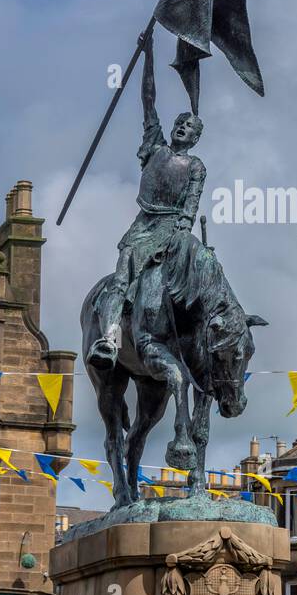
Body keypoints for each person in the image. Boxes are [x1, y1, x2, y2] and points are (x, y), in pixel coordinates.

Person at [87, 31, 206, 370]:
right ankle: (109, 339)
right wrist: (148, 54)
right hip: (143, 225)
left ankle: (203, 334)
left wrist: (181, 234)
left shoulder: (196, 167)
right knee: (122, 275)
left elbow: (190, 210)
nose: (183, 127)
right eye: (181, 123)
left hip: (172, 228)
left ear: (196, 139)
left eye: (190, 127)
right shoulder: (155, 146)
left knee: (201, 272)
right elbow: (148, 99)